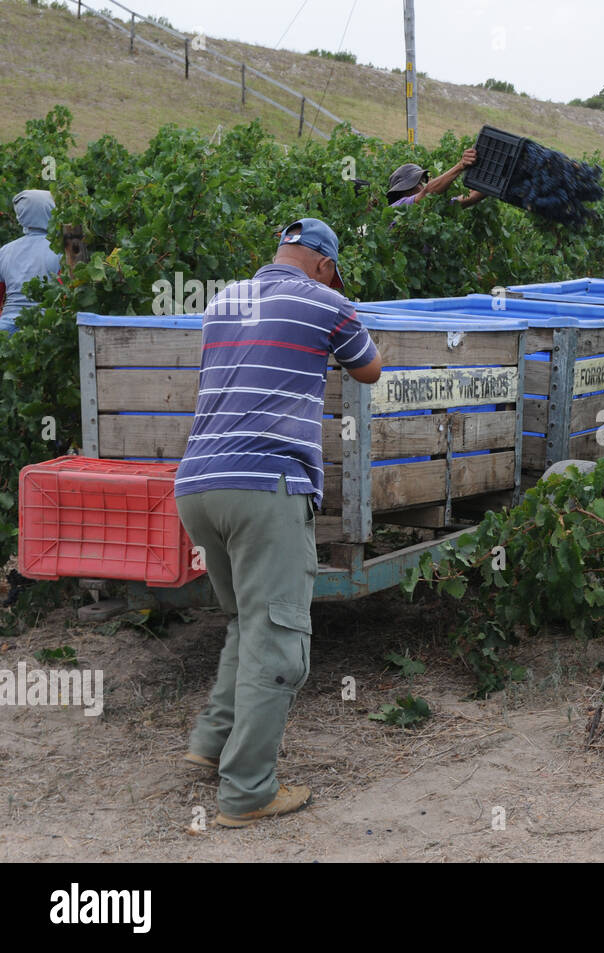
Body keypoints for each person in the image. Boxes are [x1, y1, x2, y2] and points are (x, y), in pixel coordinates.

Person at [174, 218, 382, 828]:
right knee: (279, 640)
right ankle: (247, 793)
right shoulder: (328, 300)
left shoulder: (224, 299)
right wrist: (346, 318)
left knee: (246, 622)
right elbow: (369, 369)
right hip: (267, 487)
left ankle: (208, 746)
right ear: (323, 263)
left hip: (199, 486)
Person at [0, 190, 61, 334]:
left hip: (6, 327)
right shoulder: (61, 249)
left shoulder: (5, 251)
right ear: (51, 210)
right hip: (45, 326)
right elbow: (65, 294)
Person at [387, 149, 486, 208]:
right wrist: (460, 166)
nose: (425, 185)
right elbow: (428, 192)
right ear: (406, 191)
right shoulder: (398, 207)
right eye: (421, 182)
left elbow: (471, 197)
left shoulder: (433, 207)